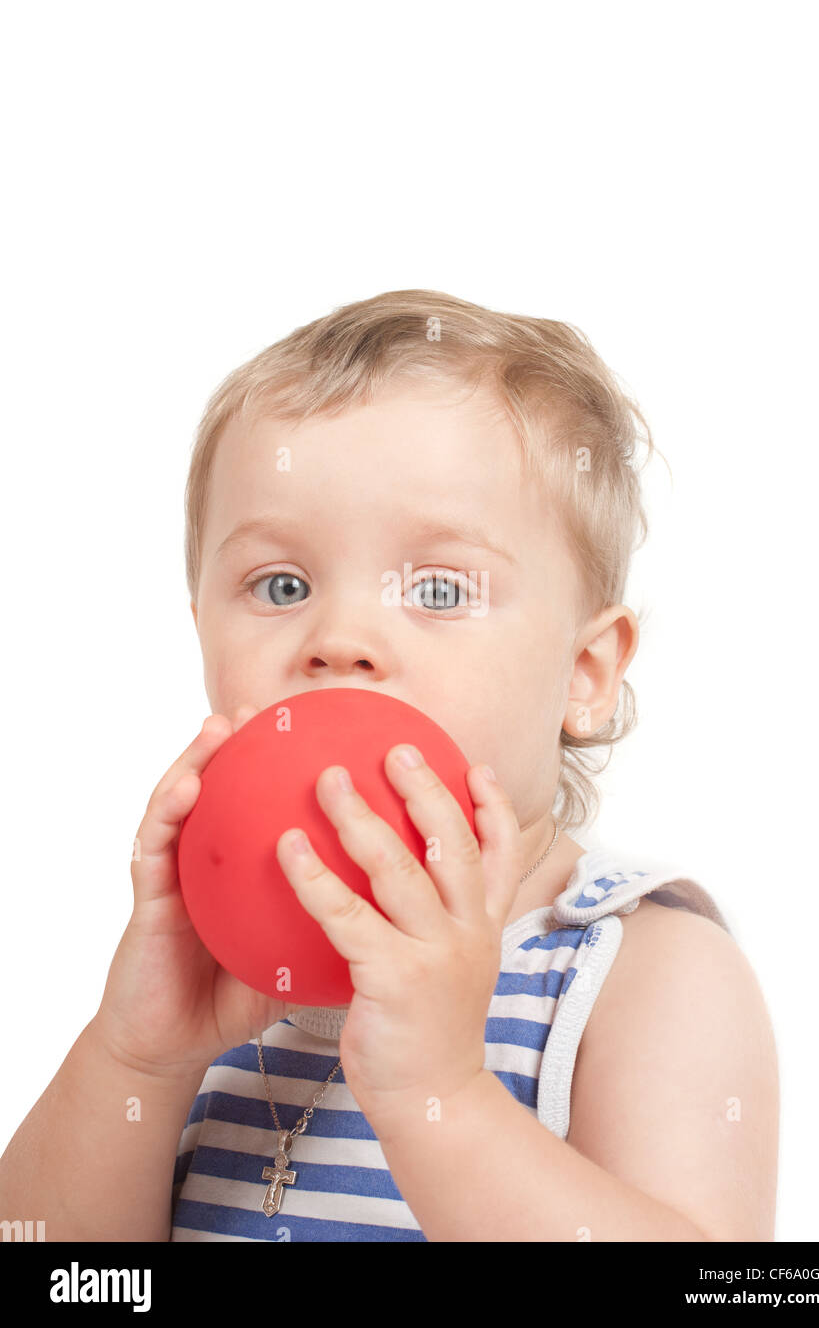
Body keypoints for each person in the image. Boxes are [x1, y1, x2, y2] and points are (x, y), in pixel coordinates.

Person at [0, 288, 778, 1242]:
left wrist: (437, 1091)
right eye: (282, 585)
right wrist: (133, 1061)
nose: (340, 638)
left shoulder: (636, 968)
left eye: (440, 588)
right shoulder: (210, 980)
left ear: (584, 674)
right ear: (200, 634)